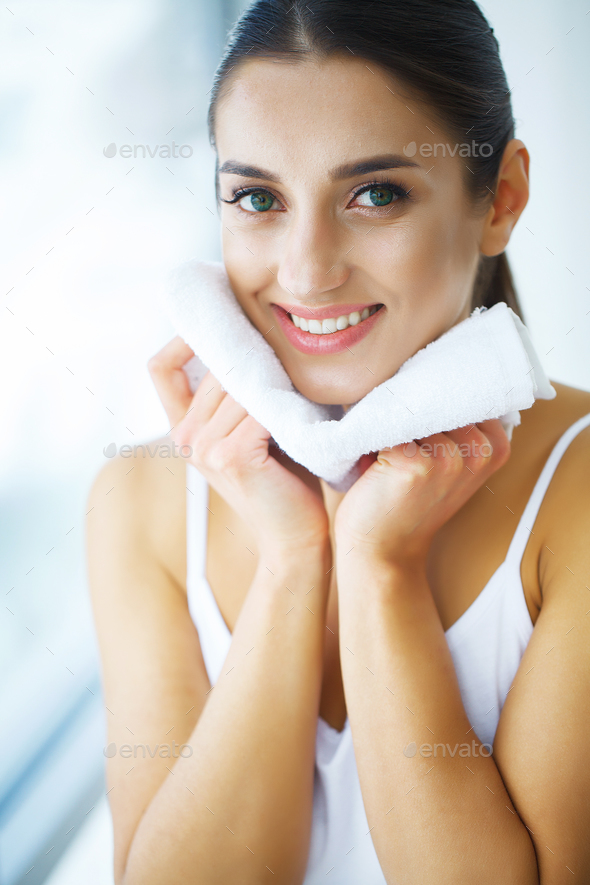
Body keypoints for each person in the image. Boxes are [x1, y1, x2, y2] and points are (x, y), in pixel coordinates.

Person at [87, 1, 590, 882]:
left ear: (501, 199)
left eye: (376, 194)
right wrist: (293, 559)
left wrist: (381, 570)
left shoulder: (577, 487)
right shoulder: (142, 500)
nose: (307, 269)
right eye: (257, 198)